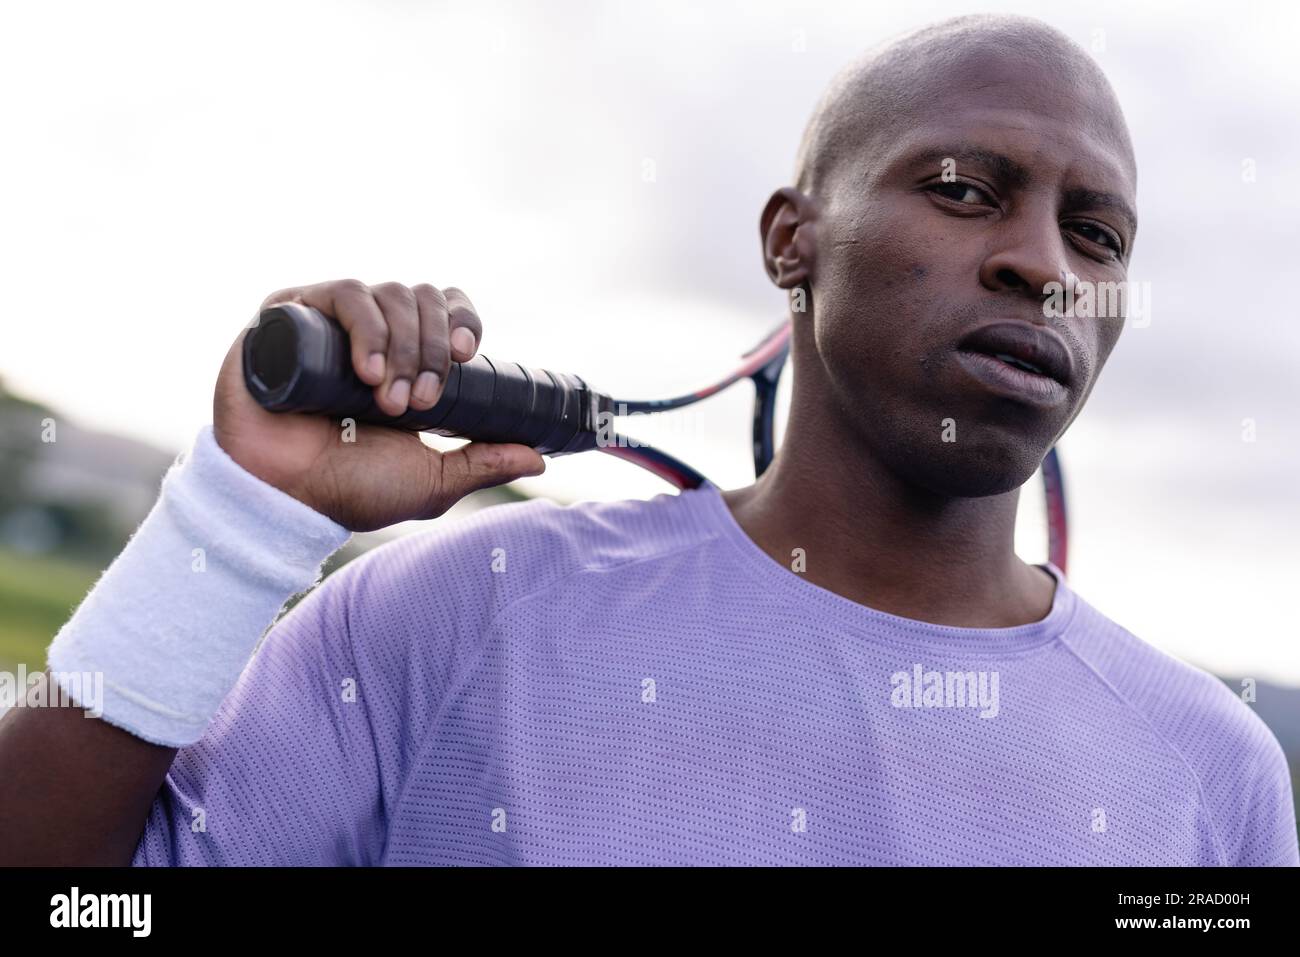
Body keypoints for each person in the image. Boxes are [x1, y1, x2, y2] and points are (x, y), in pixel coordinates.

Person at [1, 13, 1295, 866]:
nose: (1039, 264)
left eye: (1099, 236)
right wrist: (232, 525)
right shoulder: (455, 614)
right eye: (964, 191)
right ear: (793, 240)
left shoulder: (1217, 773)